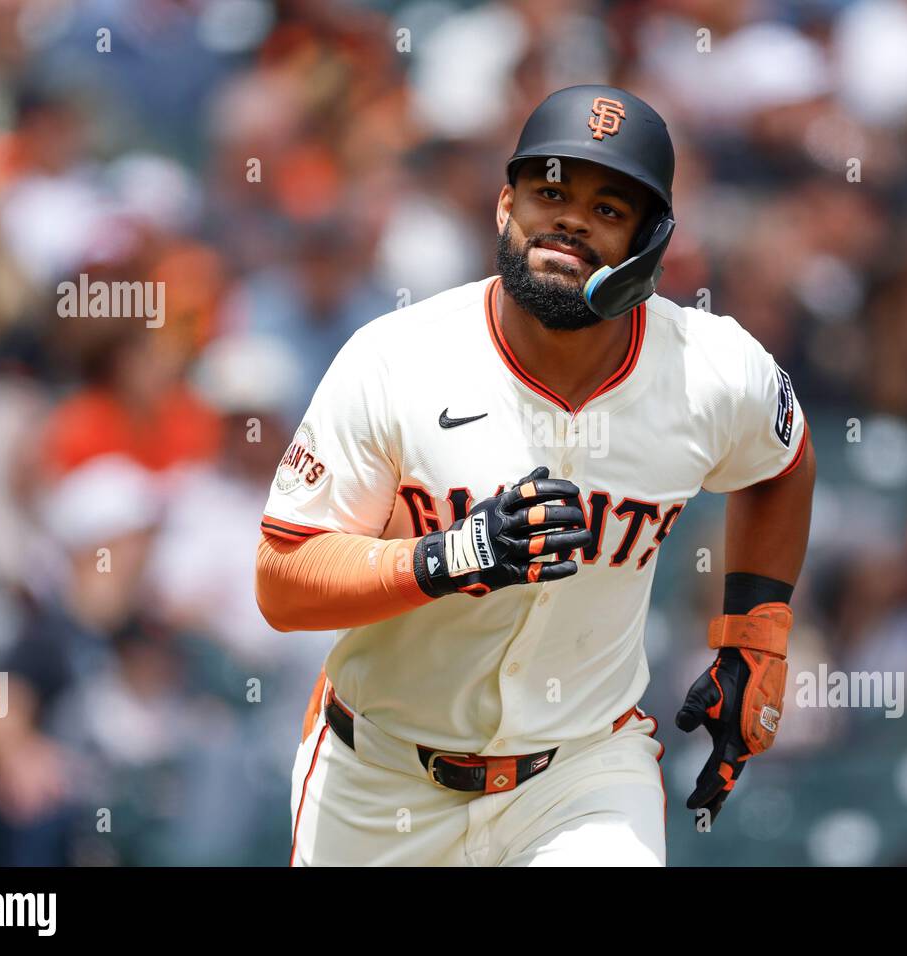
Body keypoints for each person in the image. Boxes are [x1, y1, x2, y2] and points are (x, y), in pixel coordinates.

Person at [255, 85, 816, 866]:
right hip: (380, 780)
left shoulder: (711, 373)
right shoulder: (395, 359)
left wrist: (755, 638)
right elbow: (283, 580)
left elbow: (784, 460)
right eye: (549, 191)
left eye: (609, 208)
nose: (571, 219)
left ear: (650, 245)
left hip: (581, 777)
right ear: (503, 207)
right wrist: (446, 557)